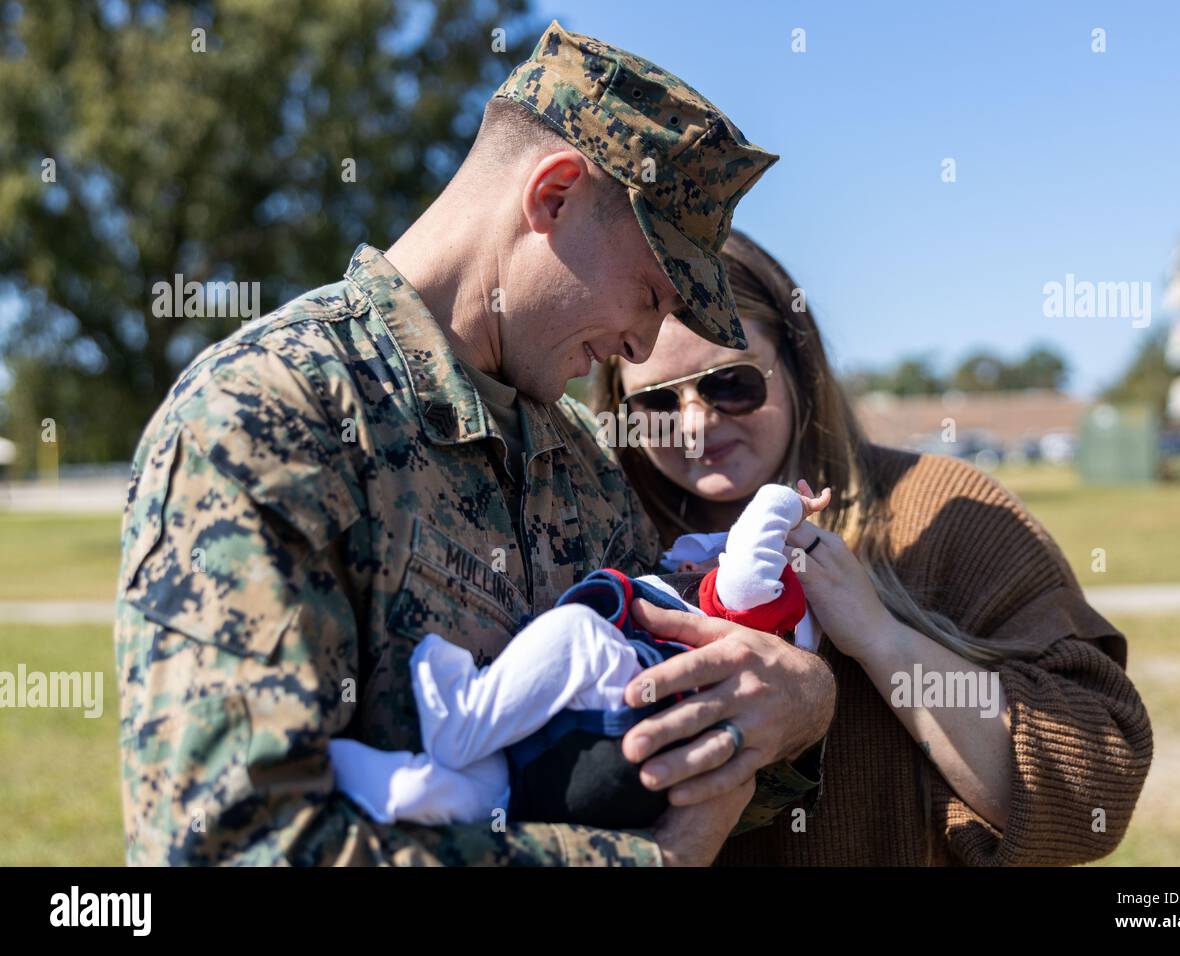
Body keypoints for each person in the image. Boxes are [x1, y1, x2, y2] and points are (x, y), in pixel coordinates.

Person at [115, 22, 836, 867]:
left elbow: (659, 748)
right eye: (649, 294)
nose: (643, 349)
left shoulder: (580, 467)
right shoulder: (267, 415)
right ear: (554, 195)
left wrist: (801, 709)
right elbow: (234, 845)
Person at [591, 230, 1156, 865]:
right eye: (658, 402)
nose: (695, 422)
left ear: (799, 369)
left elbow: (1091, 794)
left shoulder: (945, 510)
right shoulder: (602, 540)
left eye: (731, 384)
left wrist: (883, 641)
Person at [326, 481, 827, 829]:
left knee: (580, 632)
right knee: (500, 789)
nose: (694, 562)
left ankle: (462, 720)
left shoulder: (753, 606)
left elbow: (748, 553)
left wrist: (786, 502)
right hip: (620, 775)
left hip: (633, 703)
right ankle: (411, 790)